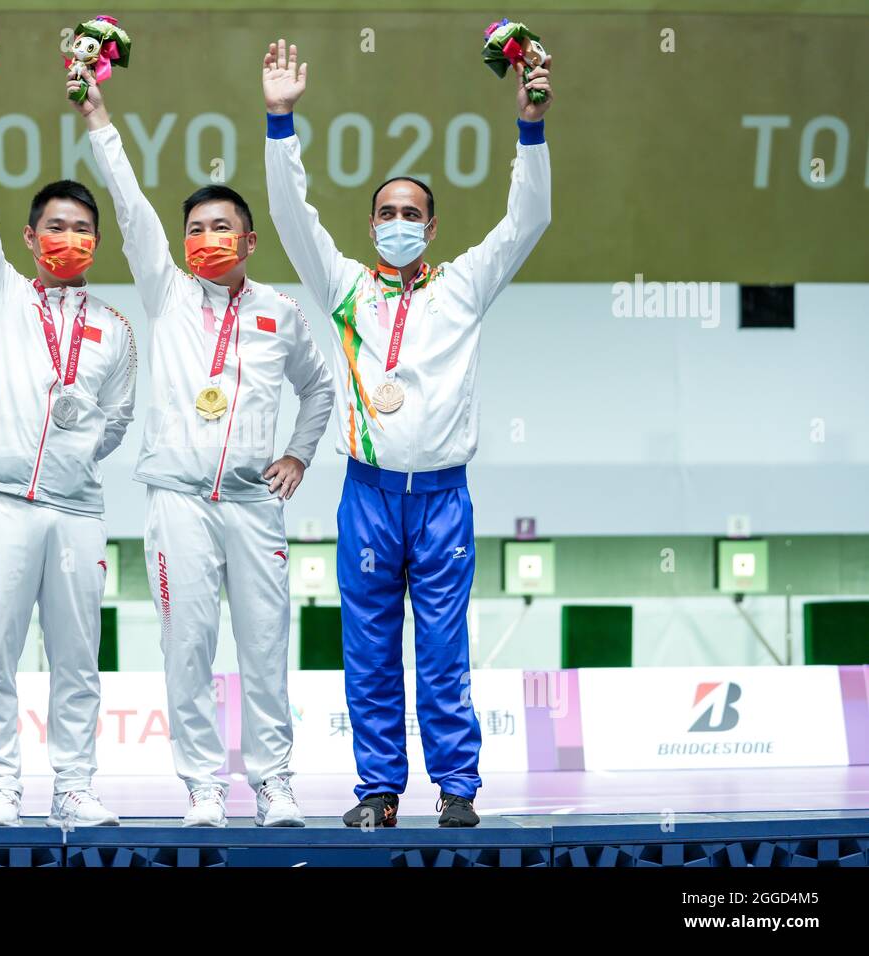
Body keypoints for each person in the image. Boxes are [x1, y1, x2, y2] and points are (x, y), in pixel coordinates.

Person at [262, 39, 553, 828]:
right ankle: (378, 791)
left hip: (444, 500)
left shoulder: (462, 287)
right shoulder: (348, 288)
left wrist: (529, 128)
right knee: (369, 653)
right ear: (371, 224)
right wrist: (280, 121)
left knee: (443, 651)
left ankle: (457, 788)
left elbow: (529, 219)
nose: (397, 223)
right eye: (386, 213)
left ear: (431, 225)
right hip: (367, 495)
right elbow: (292, 218)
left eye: (410, 213)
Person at [69, 68, 334, 827]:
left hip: (254, 506)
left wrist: (299, 454)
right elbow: (127, 204)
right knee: (187, 648)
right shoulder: (167, 291)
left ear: (248, 240)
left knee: (264, 648)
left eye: (222, 229)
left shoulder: (281, 314)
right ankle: (203, 789)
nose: (206, 240)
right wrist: (97, 116)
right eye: (196, 230)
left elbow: (319, 392)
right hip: (178, 502)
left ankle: (275, 782)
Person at [0, 76, 138, 828]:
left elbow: (119, 419)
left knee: (78, 658)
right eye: (54, 227)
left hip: (76, 509)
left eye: (82, 229)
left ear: (98, 240)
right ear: (30, 238)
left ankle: (74, 785)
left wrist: (79, 444)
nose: (68, 239)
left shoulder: (116, 328)